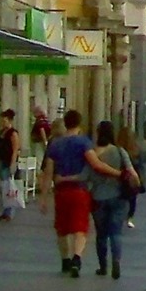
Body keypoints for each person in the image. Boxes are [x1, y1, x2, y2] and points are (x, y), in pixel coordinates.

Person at [39, 108, 94, 277]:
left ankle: (65, 260)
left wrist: (43, 196)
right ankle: (77, 257)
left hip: (61, 191)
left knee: (62, 228)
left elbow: (48, 172)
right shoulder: (84, 142)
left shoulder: (55, 144)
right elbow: (93, 163)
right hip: (79, 189)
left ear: (65, 123)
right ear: (79, 124)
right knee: (80, 227)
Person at [85, 120, 134, 279]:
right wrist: (136, 184)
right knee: (116, 232)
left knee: (101, 234)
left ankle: (103, 266)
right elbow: (131, 172)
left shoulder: (92, 153)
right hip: (118, 196)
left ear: (98, 133)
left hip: (98, 197)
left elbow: (86, 176)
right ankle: (116, 261)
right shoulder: (120, 151)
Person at [0, 109, 20, 219]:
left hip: (8, 161)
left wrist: (13, 163)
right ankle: (5, 209)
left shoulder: (13, 133)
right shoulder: (1, 132)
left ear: (10, 120)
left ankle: (9, 211)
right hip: (0, 160)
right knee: (3, 186)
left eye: (4, 120)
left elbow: (15, 149)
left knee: (8, 186)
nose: (2, 122)